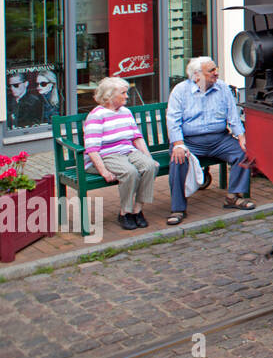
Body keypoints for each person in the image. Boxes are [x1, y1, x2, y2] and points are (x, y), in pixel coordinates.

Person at [165, 56, 253, 225]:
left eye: (216, 68)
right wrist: (178, 144)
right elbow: (173, 120)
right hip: (190, 141)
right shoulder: (180, 91)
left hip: (219, 139)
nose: (216, 73)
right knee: (178, 159)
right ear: (196, 75)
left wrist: (241, 136)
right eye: (211, 70)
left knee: (244, 152)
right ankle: (178, 208)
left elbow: (232, 115)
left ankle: (233, 197)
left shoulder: (222, 88)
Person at [84, 77, 158, 230]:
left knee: (150, 166)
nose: (127, 96)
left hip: (128, 151)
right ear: (109, 96)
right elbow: (92, 149)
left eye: (126, 92)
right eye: (123, 93)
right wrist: (103, 171)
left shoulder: (125, 112)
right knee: (130, 172)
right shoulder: (96, 116)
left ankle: (137, 210)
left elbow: (137, 138)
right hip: (107, 155)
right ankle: (125, 212)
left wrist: (149, 158)